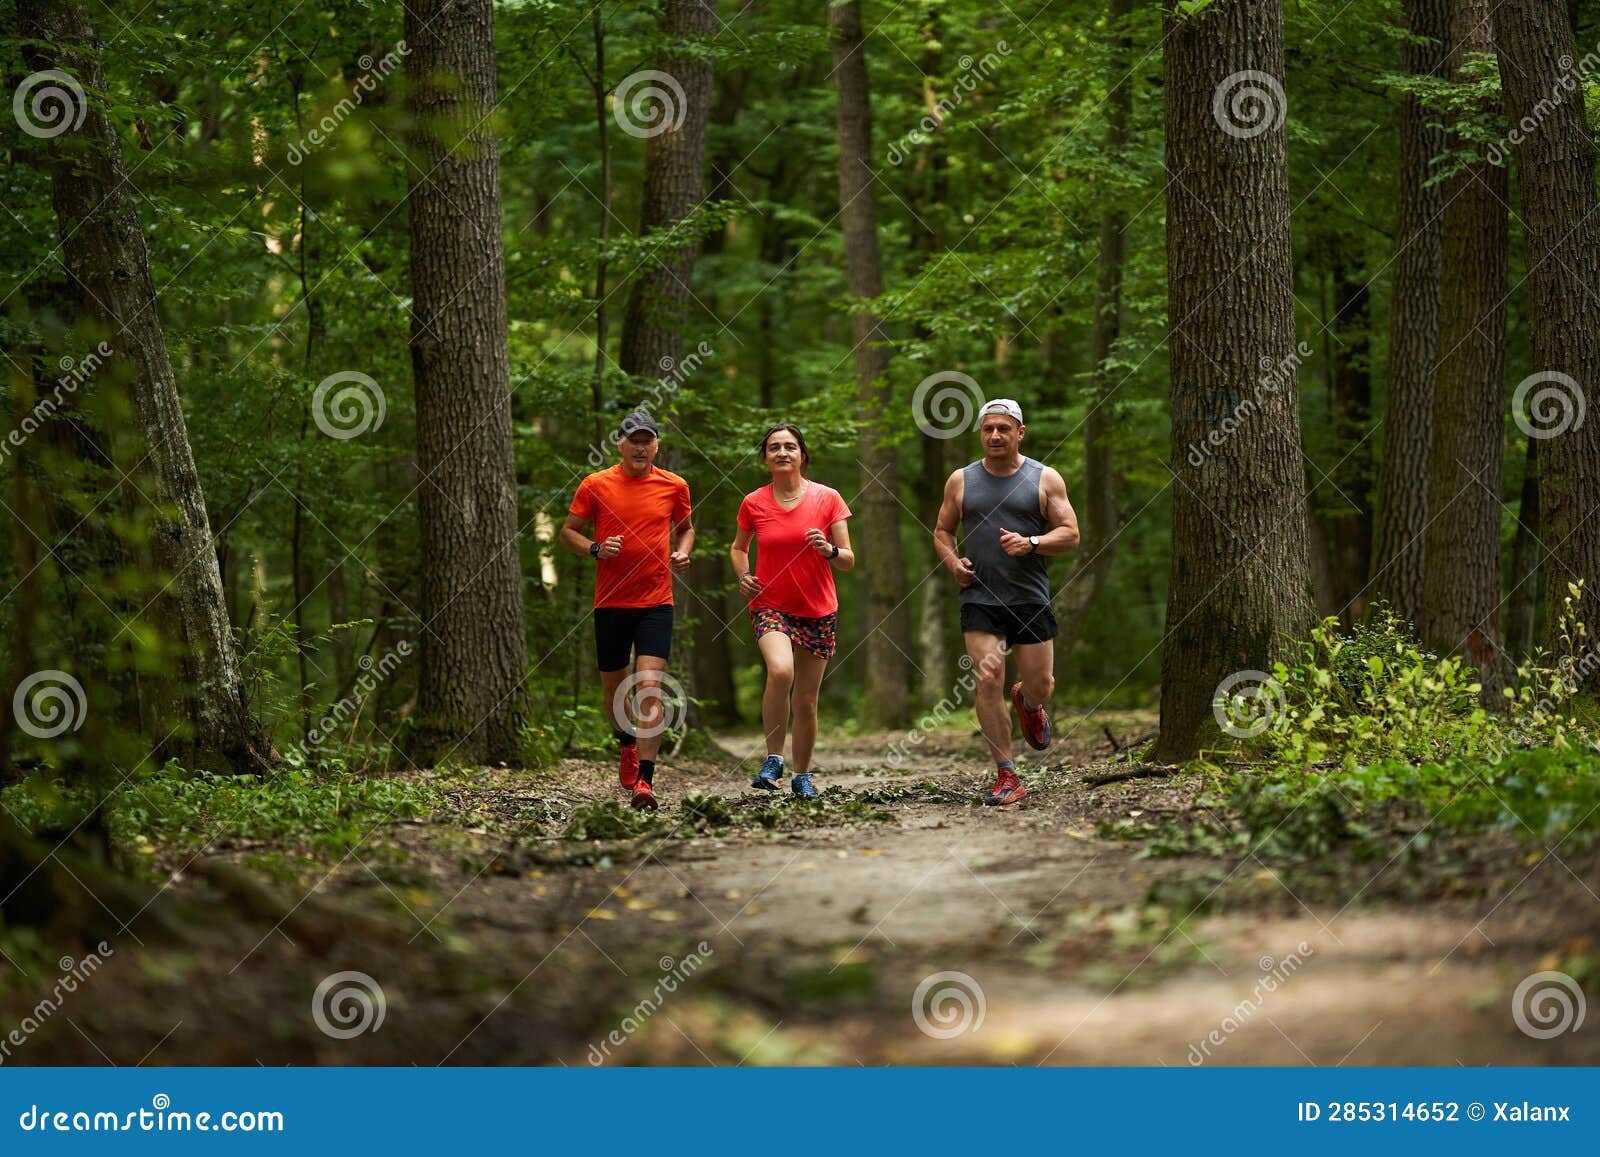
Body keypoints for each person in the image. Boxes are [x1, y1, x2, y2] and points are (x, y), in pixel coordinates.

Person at [933, 398, 1079, 805]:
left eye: (1003, 428)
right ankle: (1007, 774)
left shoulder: (1045, 478)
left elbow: (1070, 534)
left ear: (1020, 432)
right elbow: (942, 530)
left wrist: (1032, 542)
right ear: (981, 433)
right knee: (987, 679)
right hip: (980, 596)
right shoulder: (961, 480)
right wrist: (953, 563)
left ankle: (1028, 703)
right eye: (988, 429)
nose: (995, 435)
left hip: (1029, 597)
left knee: (1041, 685)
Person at [560, 411, 693, 810]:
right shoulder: (595, 484)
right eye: (633, 440)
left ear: (656, 445)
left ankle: (645, 783)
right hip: (611, 603)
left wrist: (682, 552)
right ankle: (626, 744)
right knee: (615, 692)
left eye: (647, 440)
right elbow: (568, 533)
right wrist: (596, 549)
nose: (640, 447)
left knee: (649, 685)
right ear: (619, 444)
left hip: (656, 602)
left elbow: (686, 528)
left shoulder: (674, 485)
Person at [729, 423, 854, 799]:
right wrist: (744, 575)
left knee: (806, 700)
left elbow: (848, 559)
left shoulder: (828, 498)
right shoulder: (754, 502)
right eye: (774, 447)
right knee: (781, 671)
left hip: (818, 609)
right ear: (765, 458)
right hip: (770, 603)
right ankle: (773, 759)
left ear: (802, 455)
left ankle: (802, 776)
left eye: (789, 446)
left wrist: (829, 550)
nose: (782, 452)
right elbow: (738, 548)